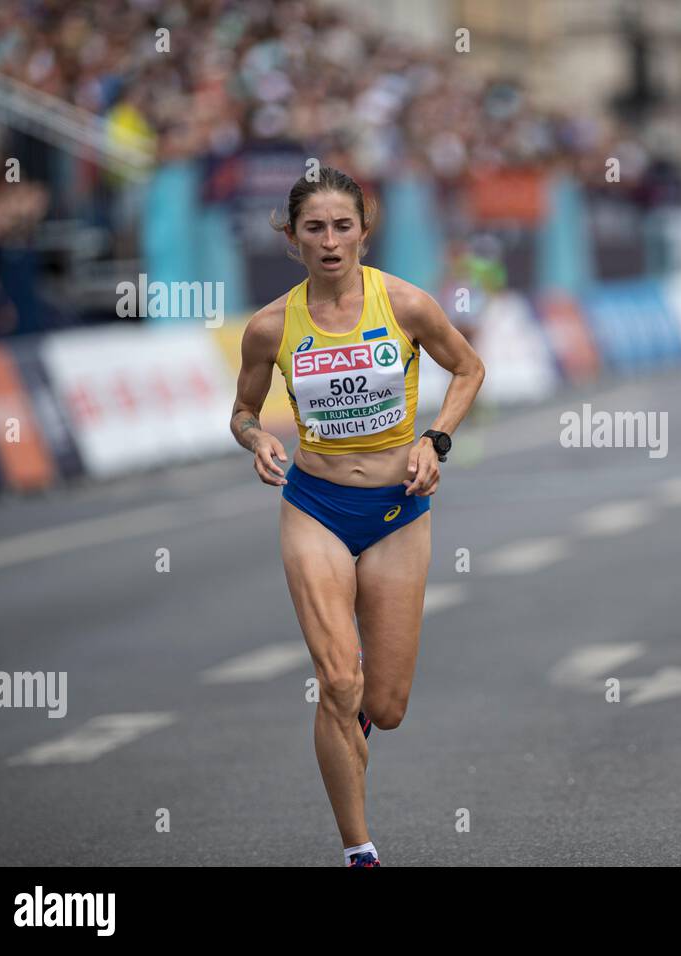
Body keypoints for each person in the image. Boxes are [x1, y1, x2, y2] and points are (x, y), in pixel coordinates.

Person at [229, 166, 485, 867]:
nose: (330, 240)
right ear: (293, 240)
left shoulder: (405, 305)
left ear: (365, 234)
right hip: (315, 506)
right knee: (337, 680)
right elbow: (243, 412)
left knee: (387, 704)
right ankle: (360, 851)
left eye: (343, 226)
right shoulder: (273, 327)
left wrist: (435, 440)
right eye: (315, 228)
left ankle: (356, 713)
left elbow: (467, 369)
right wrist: (257, 440)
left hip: (398, 510)